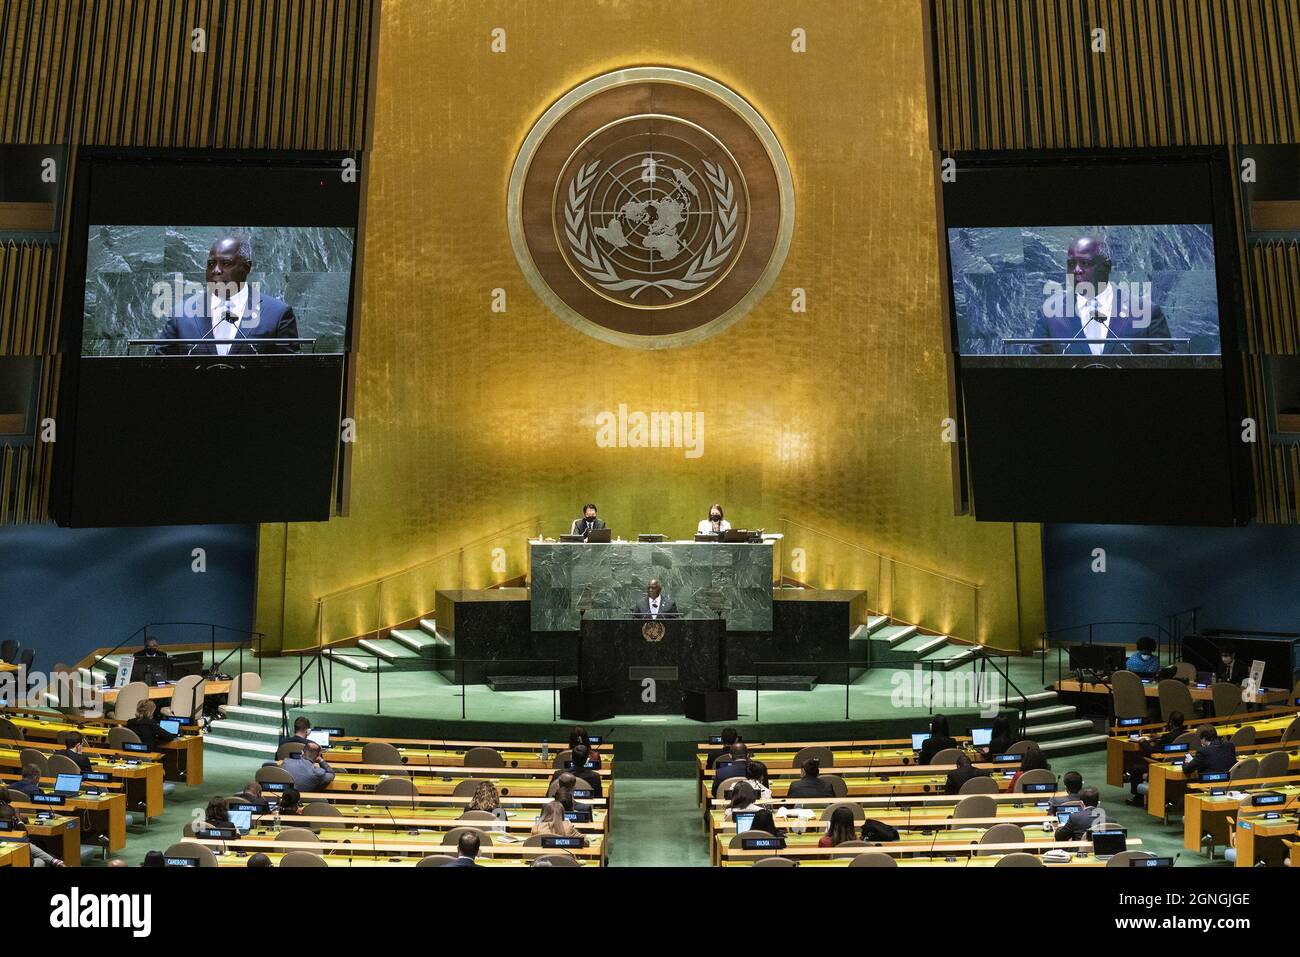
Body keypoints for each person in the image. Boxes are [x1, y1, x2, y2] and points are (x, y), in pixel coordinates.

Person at [156, 235, 300, 355]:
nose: (216, 270)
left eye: (226, 263)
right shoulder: (180, 314)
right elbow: (160, 362)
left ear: (246, 267)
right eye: (211, 264)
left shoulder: (278, 314)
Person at [1030, 236, 1173, 356]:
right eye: (1071, 264)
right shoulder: (1050, 313)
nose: (1077, 270)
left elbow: (1167, 364)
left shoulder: (1145, 311)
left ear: (1106, 266)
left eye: (1085, 263)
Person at [1127, 712, 1186, 807]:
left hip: (1162, 765)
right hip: (1180, 763)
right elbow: (1173, 737)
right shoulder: (1186, 734)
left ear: (1170, 723)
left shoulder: (1168, 737)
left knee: (1136, 768)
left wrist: (1143, 742)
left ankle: (1138, 798)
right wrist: (1160, 737)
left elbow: (1152, 751)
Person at [0, 797, 62, 866]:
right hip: (25, 863)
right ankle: (53, 861)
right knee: (42, 861)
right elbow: (30, 861)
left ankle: (53, 860)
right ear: (14, 820)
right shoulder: (20, 837)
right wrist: (19, 821)